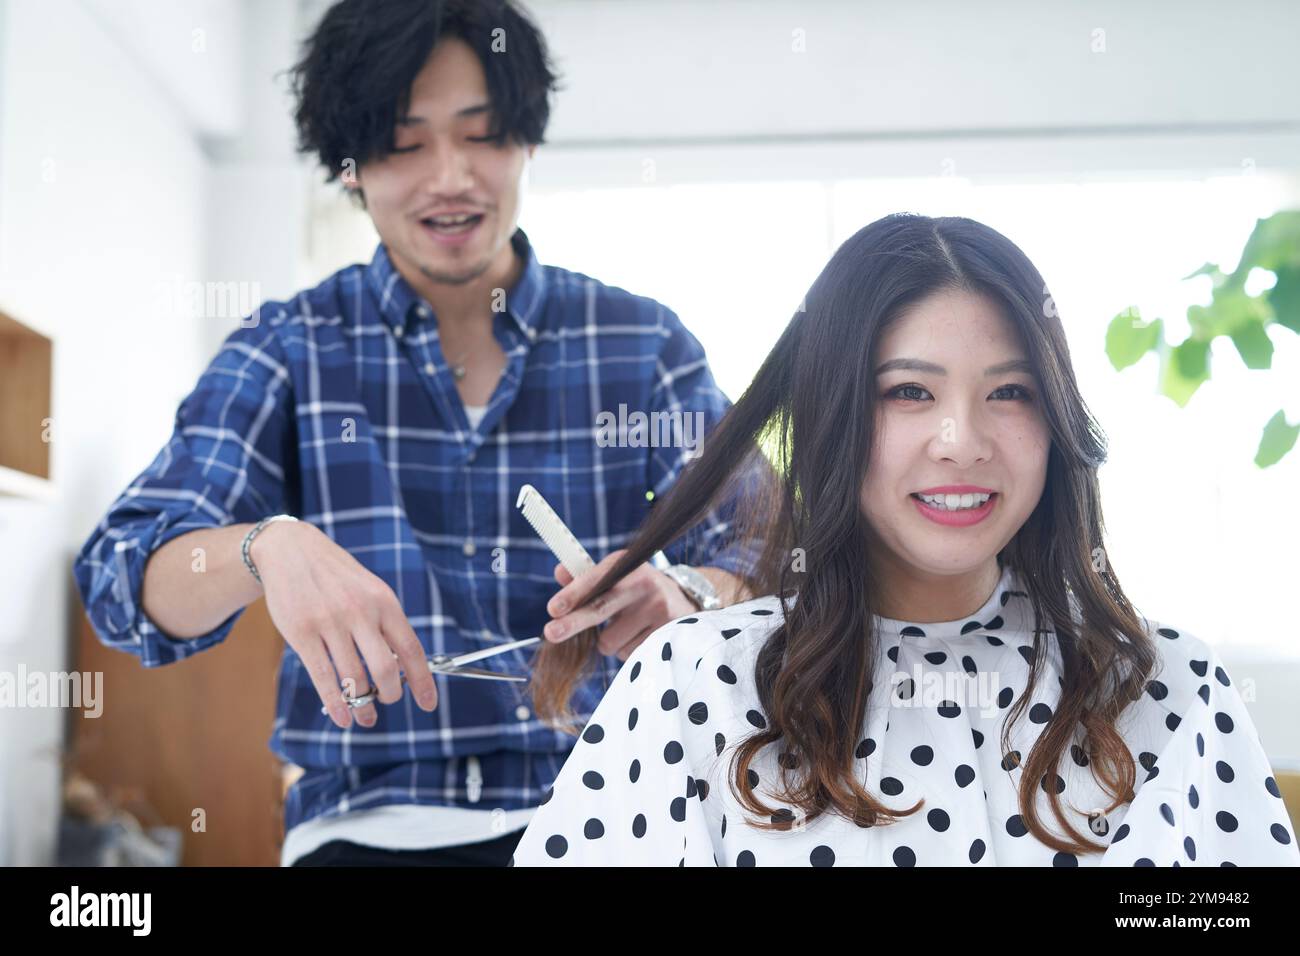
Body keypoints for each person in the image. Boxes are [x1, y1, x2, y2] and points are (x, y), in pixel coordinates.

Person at [72, 0, 756, 868]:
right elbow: (118, 578)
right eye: (404, 142)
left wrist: (685, 592)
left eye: (481, 135)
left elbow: (778, 550)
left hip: (616, 805)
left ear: (528, 143)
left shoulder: (639, 343)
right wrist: (264, 549)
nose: (451, 177)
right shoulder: (292, 346)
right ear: (349, 168)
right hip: (369, 825)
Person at [510, 212, 1300, 866]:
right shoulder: (690, 683)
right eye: (910, 392)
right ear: (833, 417)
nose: (962, 439)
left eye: (1012, 391)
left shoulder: (1170, 687)